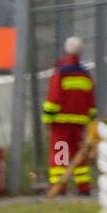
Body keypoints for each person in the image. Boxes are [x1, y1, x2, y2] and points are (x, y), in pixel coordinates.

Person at [43, 36, 98, 195]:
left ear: (66, 50)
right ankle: (84, 186)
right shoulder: (85, 75)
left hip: (61, 122)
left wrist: (48, 118)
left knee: (61, 153)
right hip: (79, 123)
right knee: (79, 154)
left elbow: (53, 99)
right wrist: (90, 120)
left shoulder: (60, 72)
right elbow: (91, 101)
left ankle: (60, 187)